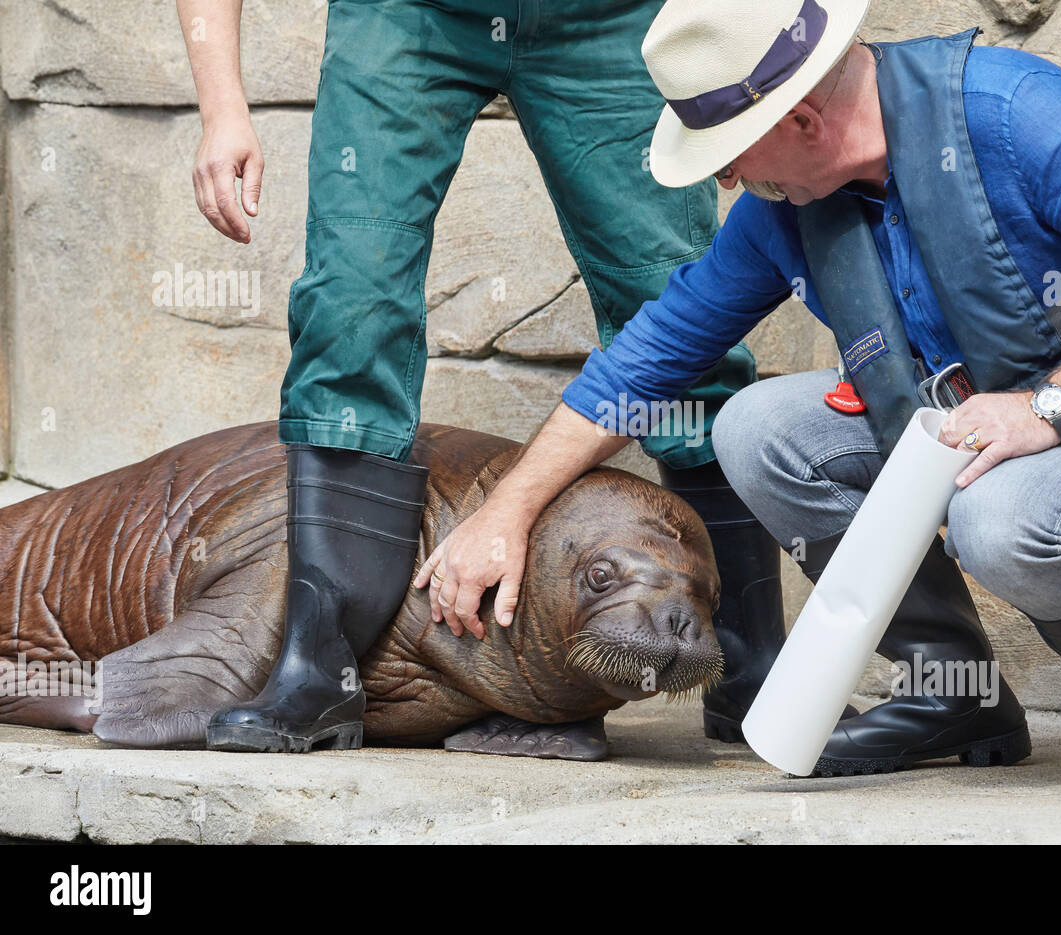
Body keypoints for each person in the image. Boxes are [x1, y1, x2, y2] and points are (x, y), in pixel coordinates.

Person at [421, 0, 1061, 791]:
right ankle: (959, 693)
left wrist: (1046, 408)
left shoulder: (1015, 112)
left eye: (728, 158)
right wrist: (508, 510)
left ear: (798, 119)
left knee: (999, 514)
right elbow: (653, 354)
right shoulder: (788, 205)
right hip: (983, 432)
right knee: (758, 428)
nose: (726, 183)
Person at [175, 0, 771, 753]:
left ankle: (749, 669)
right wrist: (223, 108)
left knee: (675, 303)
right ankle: (320, 667)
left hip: (613, 19)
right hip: (406, 16)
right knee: (351, 302)